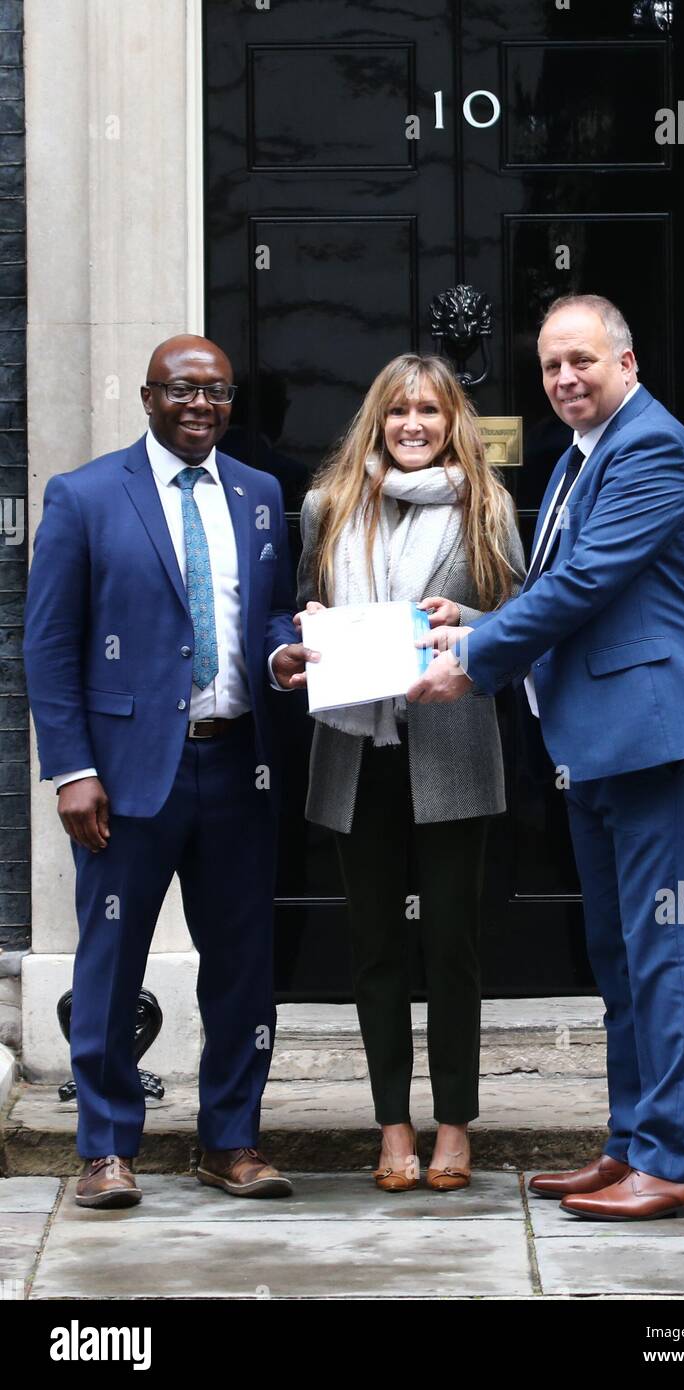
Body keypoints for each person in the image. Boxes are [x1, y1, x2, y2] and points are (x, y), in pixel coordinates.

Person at [409, 296, 684, 1220]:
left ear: (626, 362)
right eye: (551, 366)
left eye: (582, 361)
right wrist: (469, 623)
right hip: (597, 742)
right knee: (620, 955)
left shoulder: (653, 448)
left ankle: (674, 1161)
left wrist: (475, 661)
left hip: (657, 739)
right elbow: (558, 586)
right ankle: (631, 1143)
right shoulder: (581, 458)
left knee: (663, 954)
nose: (564, 380)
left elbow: (589, 584)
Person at [23, 335, 305, 1208]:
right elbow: (48, 644)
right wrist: (70, 768)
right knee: (111, 960)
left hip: (238, 767)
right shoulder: (84, 495)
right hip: (127, 774)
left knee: (242, 966)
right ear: (147, 397)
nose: (199, 406)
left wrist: (284, 654)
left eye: (216, 392)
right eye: (182, 390)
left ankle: (232, 1141)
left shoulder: (259, 496)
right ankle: (105, 1150)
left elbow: (265, 617)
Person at [281, 353, 525, 1192]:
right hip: (357, 753)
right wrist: (306, 622)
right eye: (398, 412)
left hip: (451, 747)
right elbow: (300, 606)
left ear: (451, 419)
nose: (413, 426)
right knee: (375, 948)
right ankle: (393, 1127)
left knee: (453, 945)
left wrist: (469, 617)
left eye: (428, 410)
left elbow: (526, 618)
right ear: (376, 421)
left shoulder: (483, 506)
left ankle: (454, 1125)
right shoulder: (329, 505)